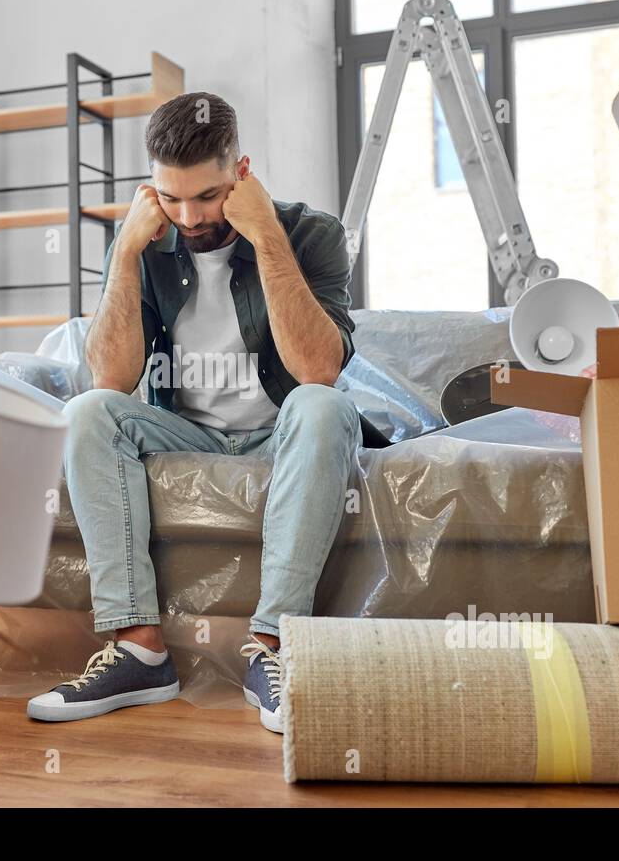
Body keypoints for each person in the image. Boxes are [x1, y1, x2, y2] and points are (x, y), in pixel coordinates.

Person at [27, 91, 367, 733]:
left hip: (280, 435)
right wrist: (125, 254)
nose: (187, 216)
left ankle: (274, 651)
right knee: (89, 411)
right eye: (170, 196)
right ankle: (139, 652)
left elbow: (318, 369)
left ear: (241, 172)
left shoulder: (310, 233)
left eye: (206, 196)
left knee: (324, 407)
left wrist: (266, 236)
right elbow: (112, 376)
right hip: (186, 435)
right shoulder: (146, 241)